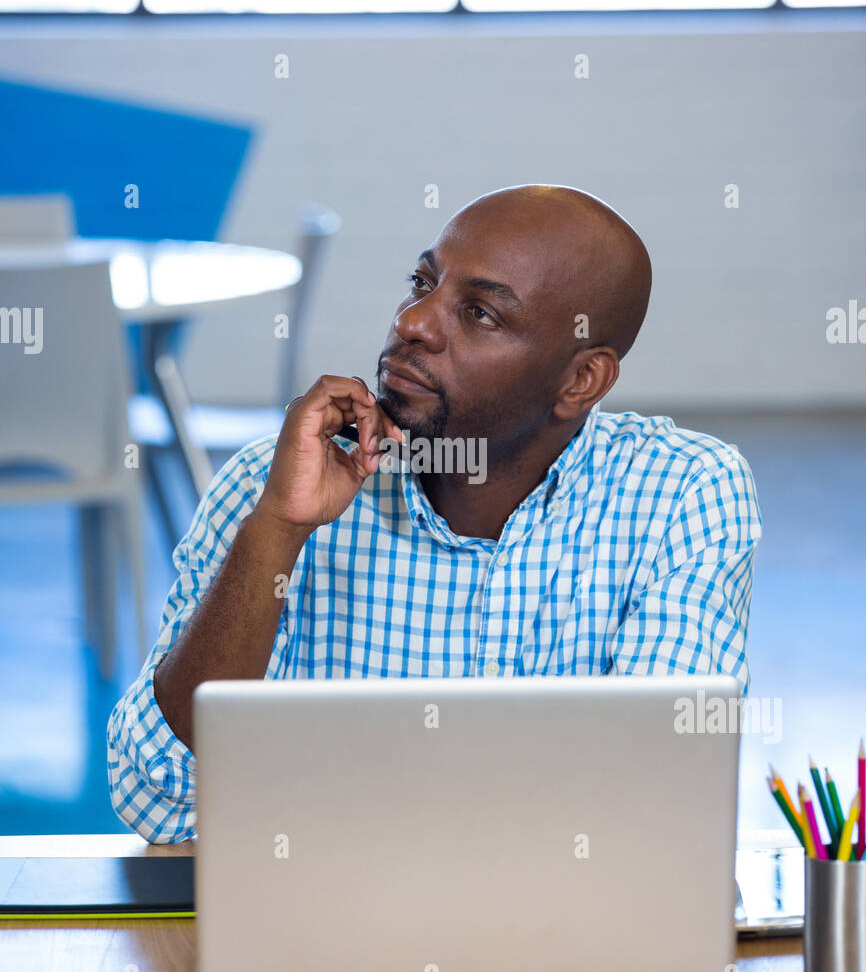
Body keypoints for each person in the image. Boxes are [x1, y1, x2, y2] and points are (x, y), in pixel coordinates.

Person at [108, 185, 761, 842]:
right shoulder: (271, 485)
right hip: (322, 936)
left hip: (556, 941)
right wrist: (277, 531)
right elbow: (158, 801)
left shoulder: (680, 494)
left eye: (479, 313)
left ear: (580, 381)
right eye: (422, 282)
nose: (413, 322)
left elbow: (658, 806)